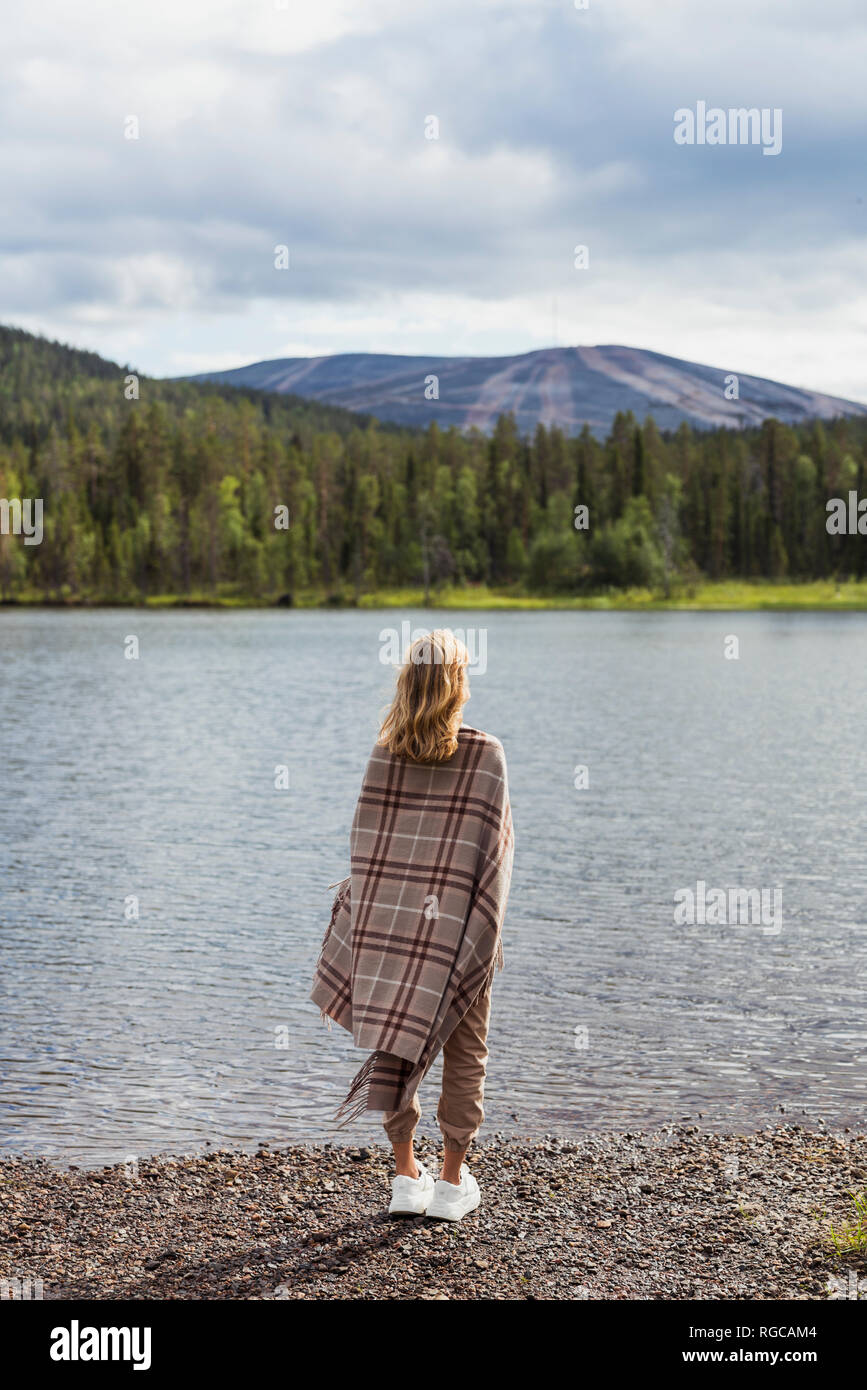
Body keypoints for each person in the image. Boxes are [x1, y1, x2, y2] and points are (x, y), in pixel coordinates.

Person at [311, 629, 514, 1221]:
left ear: (408, 682)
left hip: (391, 927)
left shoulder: (384, 754)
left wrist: (374, 919)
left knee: (393, 1043)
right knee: (466, 1050)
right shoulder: (486, 755)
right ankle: (451, 1183)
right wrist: (483, 930)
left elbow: (366, 853)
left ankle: (405, 1175)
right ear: (456, 686)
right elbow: (494, 861)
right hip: (460, 930)